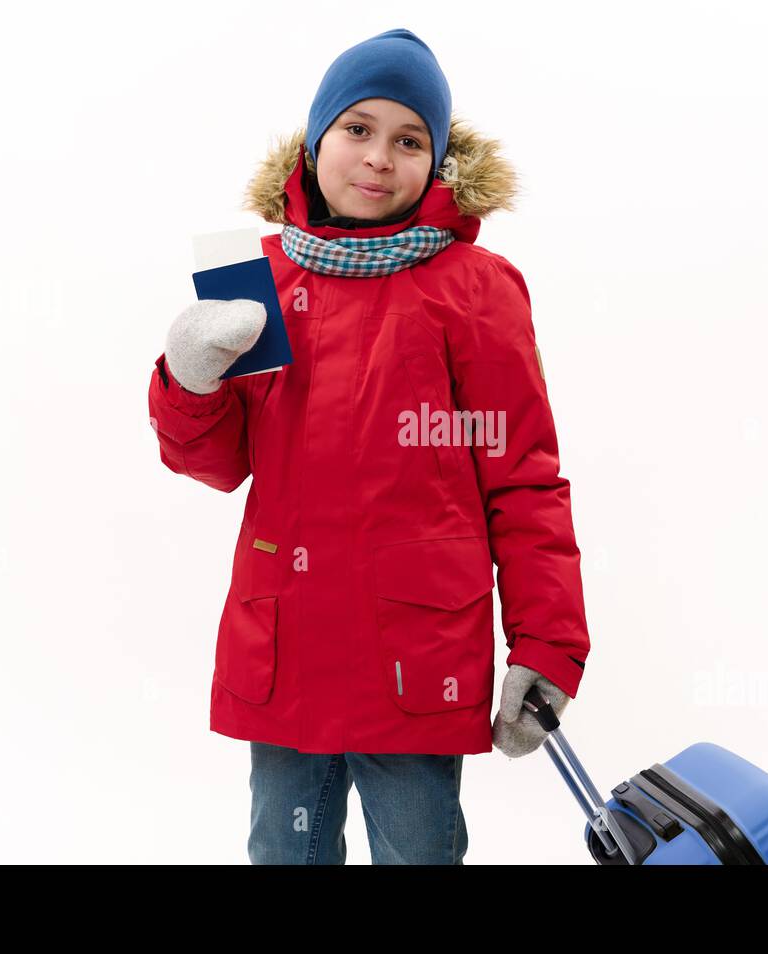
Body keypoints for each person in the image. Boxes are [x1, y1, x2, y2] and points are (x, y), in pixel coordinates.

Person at [146, 28, 591, 864]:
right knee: (285, 849)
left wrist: (547, 644)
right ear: (315, 143)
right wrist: (191, 378)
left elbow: (524, 481)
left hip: (414, 655)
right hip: (286, 643)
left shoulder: (475, 290)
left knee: (420, 850)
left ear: (439, 160)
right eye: (357, 129)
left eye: (409, 139)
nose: (379, 157)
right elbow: (212, 464)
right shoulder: (257, 279)